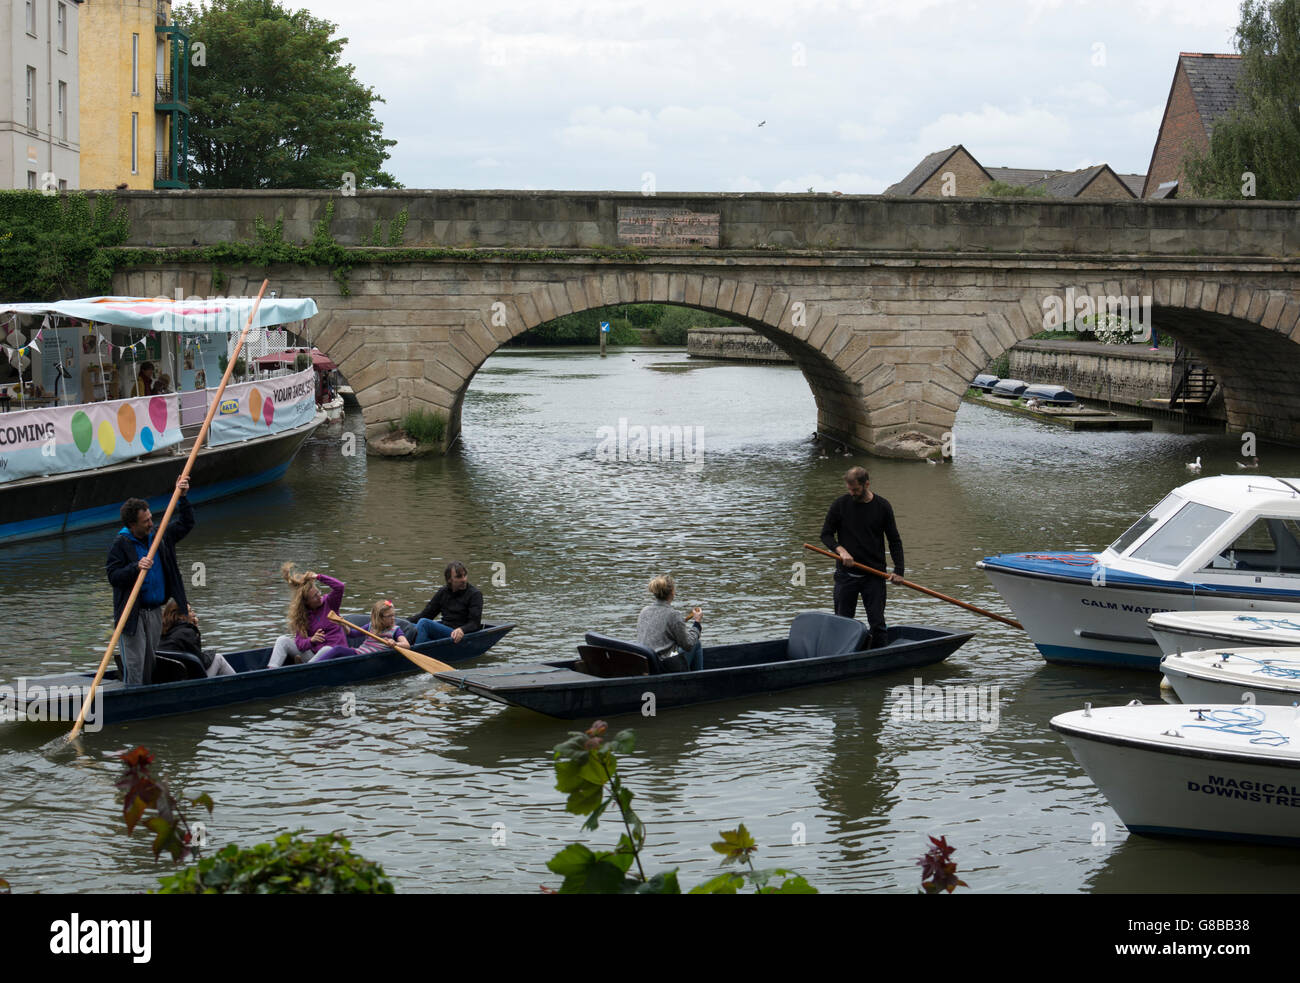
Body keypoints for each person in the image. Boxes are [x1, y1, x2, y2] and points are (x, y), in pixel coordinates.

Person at [105, 476, 195, 685]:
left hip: (154, 612)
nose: (150, 523)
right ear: (132, 524)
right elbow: (113, 576)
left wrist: (182, 497)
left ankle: (145, 699)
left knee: (149, 662)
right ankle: (131, 700)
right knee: (135, 663)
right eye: (145, 522)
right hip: (132, 615)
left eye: (150, 518)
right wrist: (135, 567)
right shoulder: (121, 544)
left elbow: (187, 523)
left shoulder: (159, 536)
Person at [820, 466, 904, 649]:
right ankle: (840, 660)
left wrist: (899, 570)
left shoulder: (882, 506)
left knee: (877, 624)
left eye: (856, 490)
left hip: (874, 575)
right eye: (849, 489)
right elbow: (826, 535)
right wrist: (840, 550)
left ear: (867, 484)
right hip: (845, 576)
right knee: (842, 623)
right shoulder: (840, 505)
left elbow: (894, 540)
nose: (852, 493)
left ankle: (879, 659)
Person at [266, 564, 359, 667]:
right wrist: (311, 640)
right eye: (314, 596)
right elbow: (299, 643)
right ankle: (272, 670)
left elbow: (340, 587)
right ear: (306, 602)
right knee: (282, 640)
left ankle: (303, 669)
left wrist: (318, 577)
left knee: (326, 649)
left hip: (335, 655)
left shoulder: (330, 603)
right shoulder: (303, 616)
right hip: (315, 657)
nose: (319, 597)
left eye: (318, 592)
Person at [636, 574, 703, 671]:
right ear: (672, 592)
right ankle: (697, 680)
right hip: (664, 666)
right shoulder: (673, 615)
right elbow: (688, 645)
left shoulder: (644, 611)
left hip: (646, 663)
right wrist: (697, 622)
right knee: (696, 643)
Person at [409, 562, 482, 644]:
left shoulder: (475, 594)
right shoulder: (443, 592)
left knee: (424, 623)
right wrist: (402, 622)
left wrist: (462, 629)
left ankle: (416, 652)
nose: (464, 579)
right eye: (459, 577)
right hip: (445, 630)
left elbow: (474, 624)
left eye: (465, 575)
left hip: (459, 634)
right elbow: (426, 615)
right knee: (411, 627)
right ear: (449, 580)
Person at [159, 598, 236, 677]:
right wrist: (194, 629)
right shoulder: (186, 632)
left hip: (171, 678)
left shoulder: (162, 631)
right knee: (218, 658)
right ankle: (239, 684)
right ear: (180, 616)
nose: (194, 614)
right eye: (190, 611)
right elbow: (201, 662)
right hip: (189, 680)